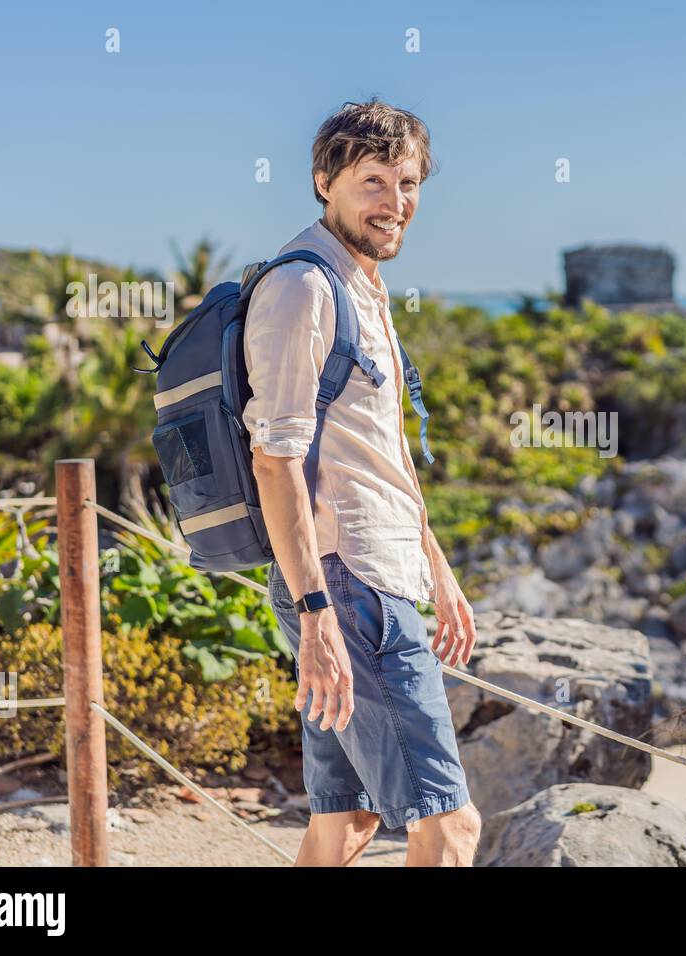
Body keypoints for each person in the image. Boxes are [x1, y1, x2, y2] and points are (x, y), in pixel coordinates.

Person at [242, 98, 480, 867]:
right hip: (344, 590)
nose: (395, 202)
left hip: (367, 577)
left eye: (407, 182)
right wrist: (316, 616)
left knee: (344, 821)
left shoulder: (363, 285)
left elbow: (383, 457)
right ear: (324, 181)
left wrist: (436, 573)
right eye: (373, 180)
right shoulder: (304, 288)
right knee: (450, 826)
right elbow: (273, 459)